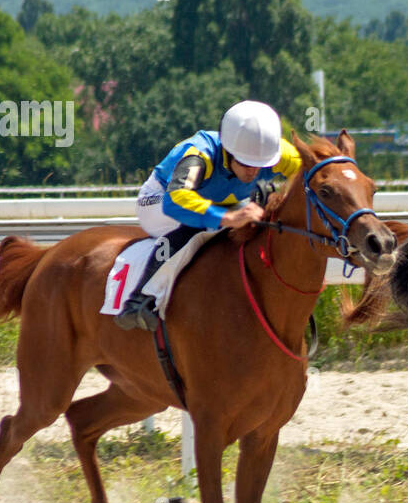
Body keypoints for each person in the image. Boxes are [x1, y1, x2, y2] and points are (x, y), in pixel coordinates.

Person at [114, 100, 300, 330]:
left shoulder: (274, 150)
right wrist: (227, 218)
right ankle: (139, 300)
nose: (254, 172)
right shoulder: (200, 154)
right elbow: (176, 201)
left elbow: (310, 173)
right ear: (228, 150)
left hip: (220, 201)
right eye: (246, 163)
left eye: (261, 165)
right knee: (197, 228)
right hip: (160, 200)